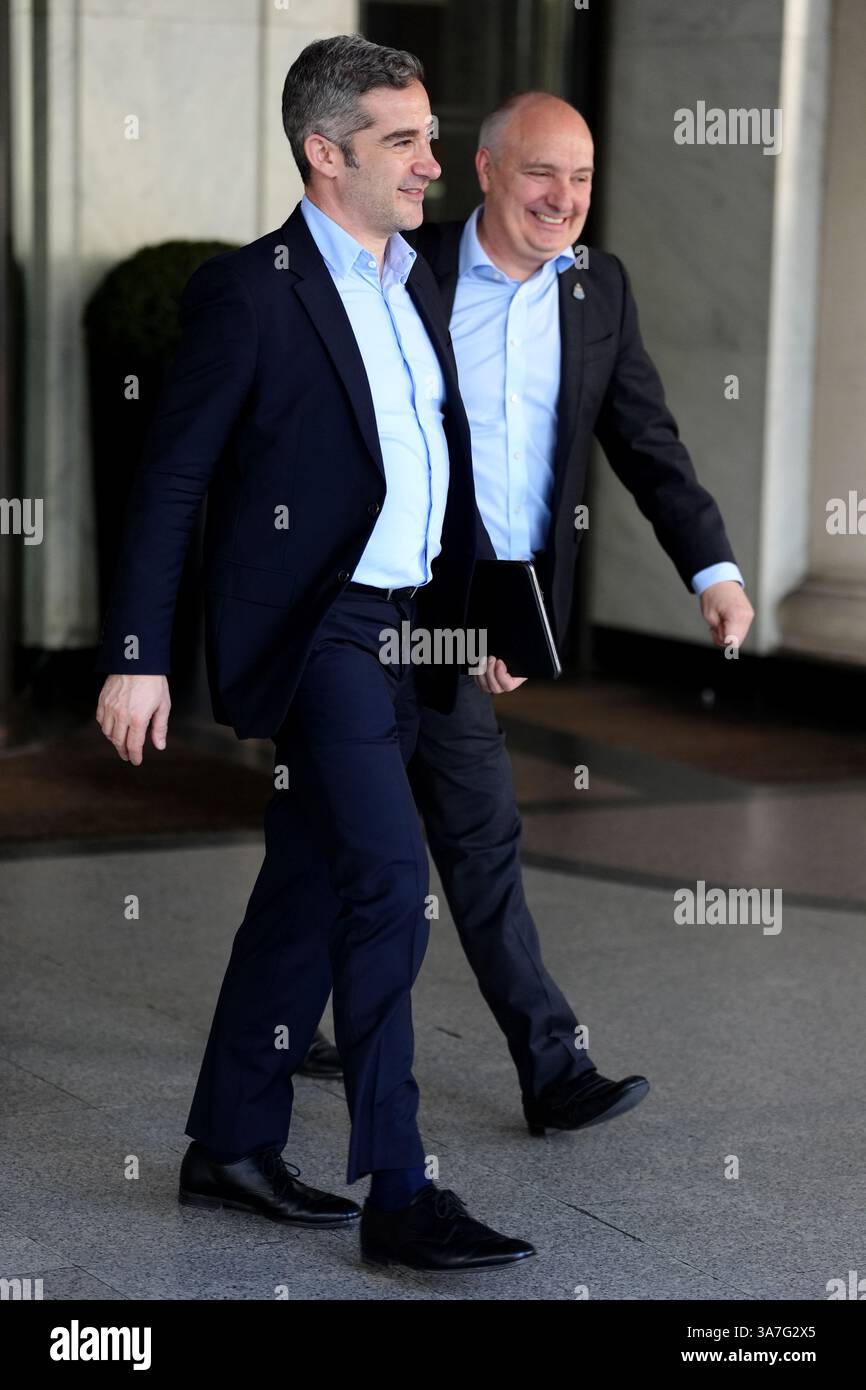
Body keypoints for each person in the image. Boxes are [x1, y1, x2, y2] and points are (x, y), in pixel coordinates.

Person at [94, 36, 535, 1275]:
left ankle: (230, 1144)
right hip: (323, 628)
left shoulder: (416, 280)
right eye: (403, 141)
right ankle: (400, 1189)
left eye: (428, 137)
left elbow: (434, 467)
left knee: (306, 879)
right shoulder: (254, 290)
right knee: (388, 881)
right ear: (322, 151)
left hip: (410, 624)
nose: (432, 165)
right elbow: (170, 481)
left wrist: (481, 612)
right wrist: (138, 653)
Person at [306, 91, 755, 1139]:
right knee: (331, 844)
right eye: (544, 172)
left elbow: (646, 444)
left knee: (477, 838)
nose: (565, 198)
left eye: (583, 177)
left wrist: (711, 570)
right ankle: (283, 1032)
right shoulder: (400, 271)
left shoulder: (597, 292)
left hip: (474, 622)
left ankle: (550, 1069)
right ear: (488, 171)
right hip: (361, 605)